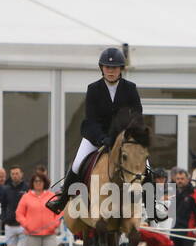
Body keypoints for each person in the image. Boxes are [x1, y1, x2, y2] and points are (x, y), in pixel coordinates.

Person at [46, 47, 143, 214]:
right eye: (107, 67)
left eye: (114, 68)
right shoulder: (93, 89)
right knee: (77, 163)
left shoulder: (130, 88)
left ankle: (152, 203)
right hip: (96, 136)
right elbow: (91, 119)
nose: (111, 71)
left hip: (124, 138)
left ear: (121, 69)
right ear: (102, 68)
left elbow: (137, 115)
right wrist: (102, 138)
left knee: (145, 164)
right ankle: (62, 200)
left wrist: (126, 136)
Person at [16, 172, 62, 246]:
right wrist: (27, 225)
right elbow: (19, 214)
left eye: (40, 181)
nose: (38, 183)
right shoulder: (26, 197)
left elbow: (59, 212)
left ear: (44, 182)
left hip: (50, 234)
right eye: (36, 181)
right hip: (32, 235)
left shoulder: (52, 196)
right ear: (32, 183)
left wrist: (54, 224)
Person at [0, 166, 28, 246]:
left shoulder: (27, 188)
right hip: (9, 225)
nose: (15, 176)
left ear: (22, 174)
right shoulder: (6, 189)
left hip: (23, 225)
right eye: (13, 173)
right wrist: (4, 219)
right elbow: (3, 206)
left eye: (17, 173)